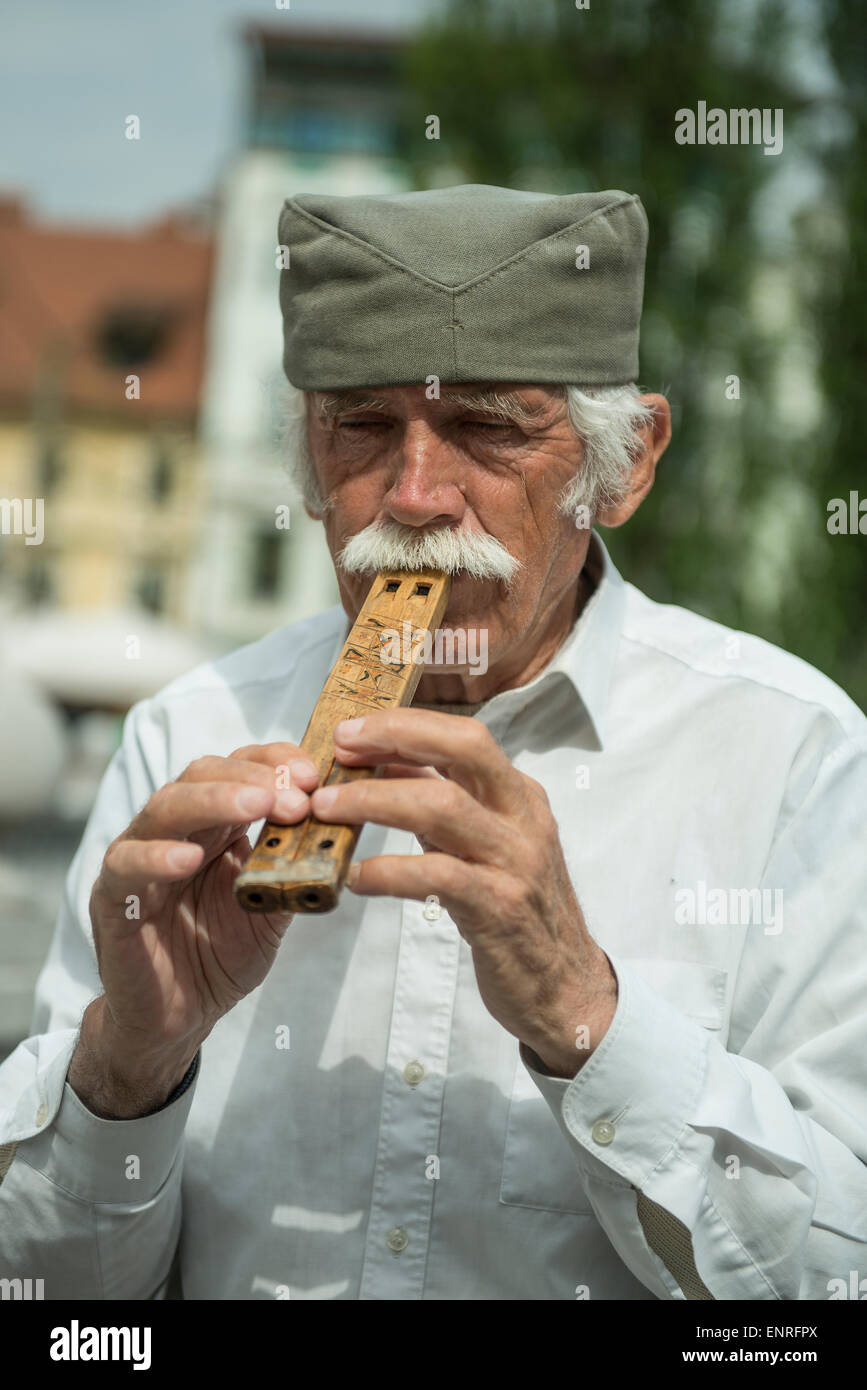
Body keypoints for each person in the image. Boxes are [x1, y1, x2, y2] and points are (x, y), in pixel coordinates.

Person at [1, 185, 865, 1301]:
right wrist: (128, 1067)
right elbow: (56, 1307)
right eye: (361, 425)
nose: (413, 496)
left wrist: (585, 1015)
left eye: (490, 427)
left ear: (627, 462)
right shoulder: (190, 730)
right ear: (307, 461)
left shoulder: (792, 760)